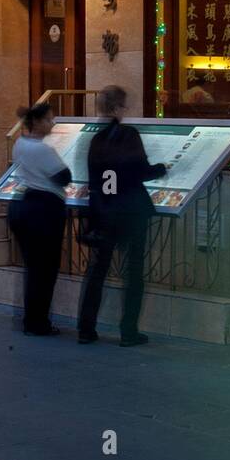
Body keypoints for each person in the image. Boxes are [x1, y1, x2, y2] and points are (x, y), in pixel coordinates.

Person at [77, 85, 167, 347]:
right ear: (117, 108)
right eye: (124, 105)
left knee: (97, 271)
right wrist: (161, 169)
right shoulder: (128, 135)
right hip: (130, 211)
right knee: (134, 271)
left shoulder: (96, 139)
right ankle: (128, 332)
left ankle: (86, 329)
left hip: (104, 212)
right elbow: (139, 171)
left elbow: (97, 181)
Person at [8, 102, 71, 336]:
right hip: (44, 210)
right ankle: (38, 322)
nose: (52, 123)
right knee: (45, 270)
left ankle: (32, 321)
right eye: (48, 119)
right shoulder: (43, 150)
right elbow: (65, 177)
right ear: (37, 122)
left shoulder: (20, 143)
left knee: (34, 268)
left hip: (23, 205)